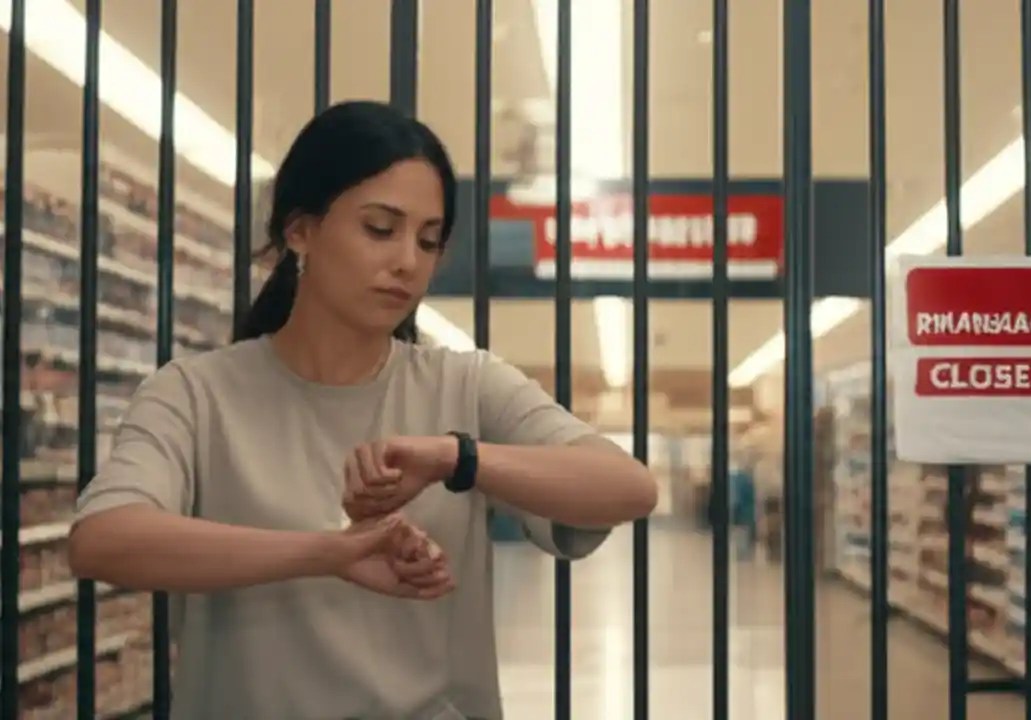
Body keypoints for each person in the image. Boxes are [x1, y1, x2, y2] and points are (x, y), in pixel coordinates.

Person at [68, 100, 658, 720]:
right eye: (380, 228)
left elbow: (627, 487)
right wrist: (331, 553)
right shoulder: (195, 394)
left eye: (428, 241)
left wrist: (457, 456)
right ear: (300, 231)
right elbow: (104, 539)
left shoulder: (465, 385)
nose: (408, 261)